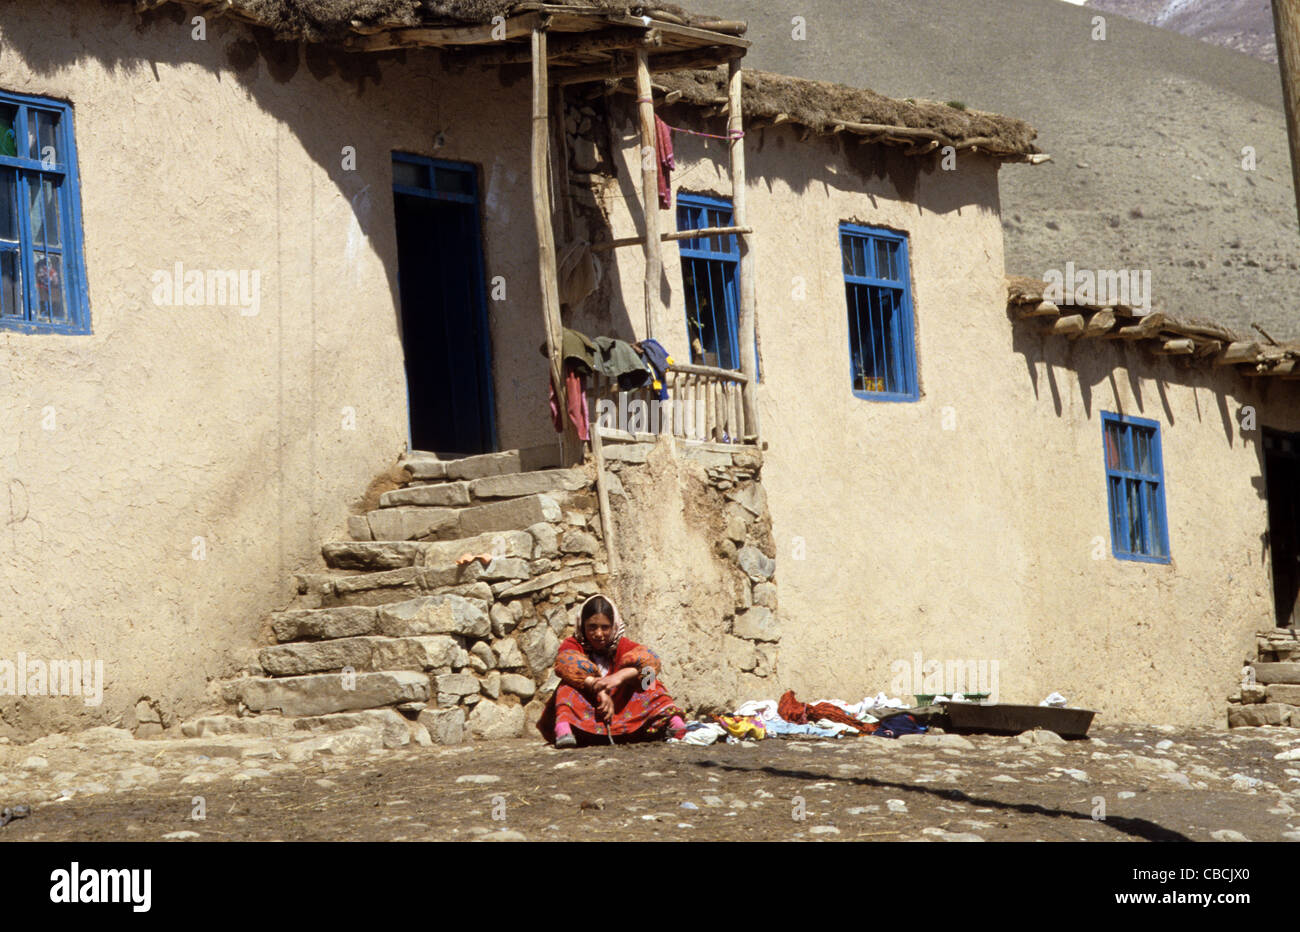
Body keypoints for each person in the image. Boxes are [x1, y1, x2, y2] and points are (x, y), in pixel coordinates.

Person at [538, 594, 686, 747]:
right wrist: (598, 688)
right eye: (592, 627)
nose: (599, 634)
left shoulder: (623, 645)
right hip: (590, 711)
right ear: (582, 626)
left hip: (622, 709)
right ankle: (564, 730)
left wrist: (619, 677)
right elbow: (565, 663)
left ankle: (673, 723)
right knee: (566, 686)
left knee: (649, 680)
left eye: (605, 627)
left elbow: (651, 662)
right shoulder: (573, 644)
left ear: (614, 626)